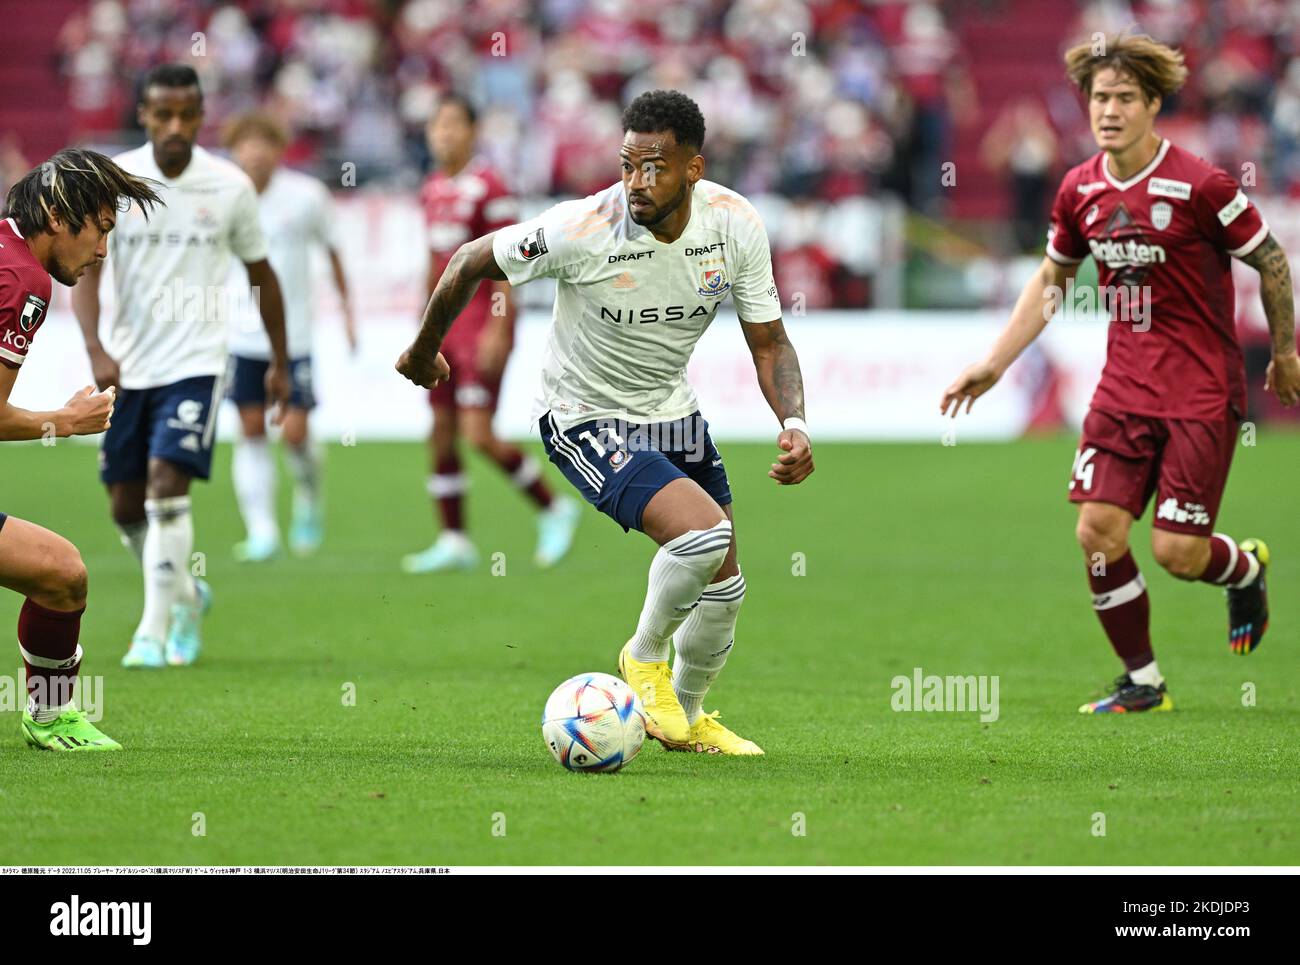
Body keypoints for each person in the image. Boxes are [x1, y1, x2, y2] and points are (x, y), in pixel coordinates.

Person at [397, 90, 814, 754]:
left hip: (671, 412)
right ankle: (642, 658)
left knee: (726, 584)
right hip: (583, 415)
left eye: (656, 167)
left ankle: (686, 715)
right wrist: (424, 350)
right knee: (703, 538)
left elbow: (769, 341)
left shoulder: (735, 224)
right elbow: (467, 260)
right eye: (627, 164)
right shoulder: (583, 226)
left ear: (694, 170)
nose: (637, 182)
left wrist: (793, 420)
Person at [942, 34, 1300, 713]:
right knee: (1097, 532)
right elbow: (1052, 279)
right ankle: (1143, 681)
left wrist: (1283, 353)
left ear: (1153, 103)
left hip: (1199, 389)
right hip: (1123, 386)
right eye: (1099, 97)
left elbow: (1273, 261)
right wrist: (994, 362)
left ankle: (1244, 567)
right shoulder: (1080, 188)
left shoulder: (1203, 185)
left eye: (1124, 98)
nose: (1108, 110)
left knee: (1177, 553)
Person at [71, 64, 290, 669]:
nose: (174, 125)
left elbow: (262, 275)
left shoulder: (228, 186)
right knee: (123, 505)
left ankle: (153, 629)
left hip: (197, 362)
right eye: (161, 113)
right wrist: (94, 347)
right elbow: (86, 270)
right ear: (142, 113)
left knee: (169, 484)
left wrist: (278, 360)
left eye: (185, 114)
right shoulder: (115, 180)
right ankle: (189, 596)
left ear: (200, 116)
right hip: (127, 367)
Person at [2, 148, 162, 748]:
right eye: (98, 228)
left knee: (58, 574)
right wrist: (66, 422)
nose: (102, 250)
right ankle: (49, 716)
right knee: (62, 573)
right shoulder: (23, 279)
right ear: (54, 213)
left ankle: (50, 716)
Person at [402, 95, 580, 574]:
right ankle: (455, 539)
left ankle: (553, 507)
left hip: (480, 322)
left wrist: (501, 328)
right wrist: (424, 331)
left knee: (477, 434)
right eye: (437, 125)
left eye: (455, 123)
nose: (444, 133)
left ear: (472, 131)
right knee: (440, 434)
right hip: (444, 328)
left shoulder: (490, 186)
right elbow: (432, 263)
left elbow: (507, 263)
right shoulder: (433, 186)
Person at [223, 112, 356, 561]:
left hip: (292, 338)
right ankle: (261, 531)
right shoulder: (223, 196)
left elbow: (333, 251)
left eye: (265, 142)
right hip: (240, 338)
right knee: (251, 428)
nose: (256, 152)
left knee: (295, 433)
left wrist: (348, 312)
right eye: (247, 142)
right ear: (235, 149)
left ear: (280, 149)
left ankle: (308, 499)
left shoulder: (306, 196)